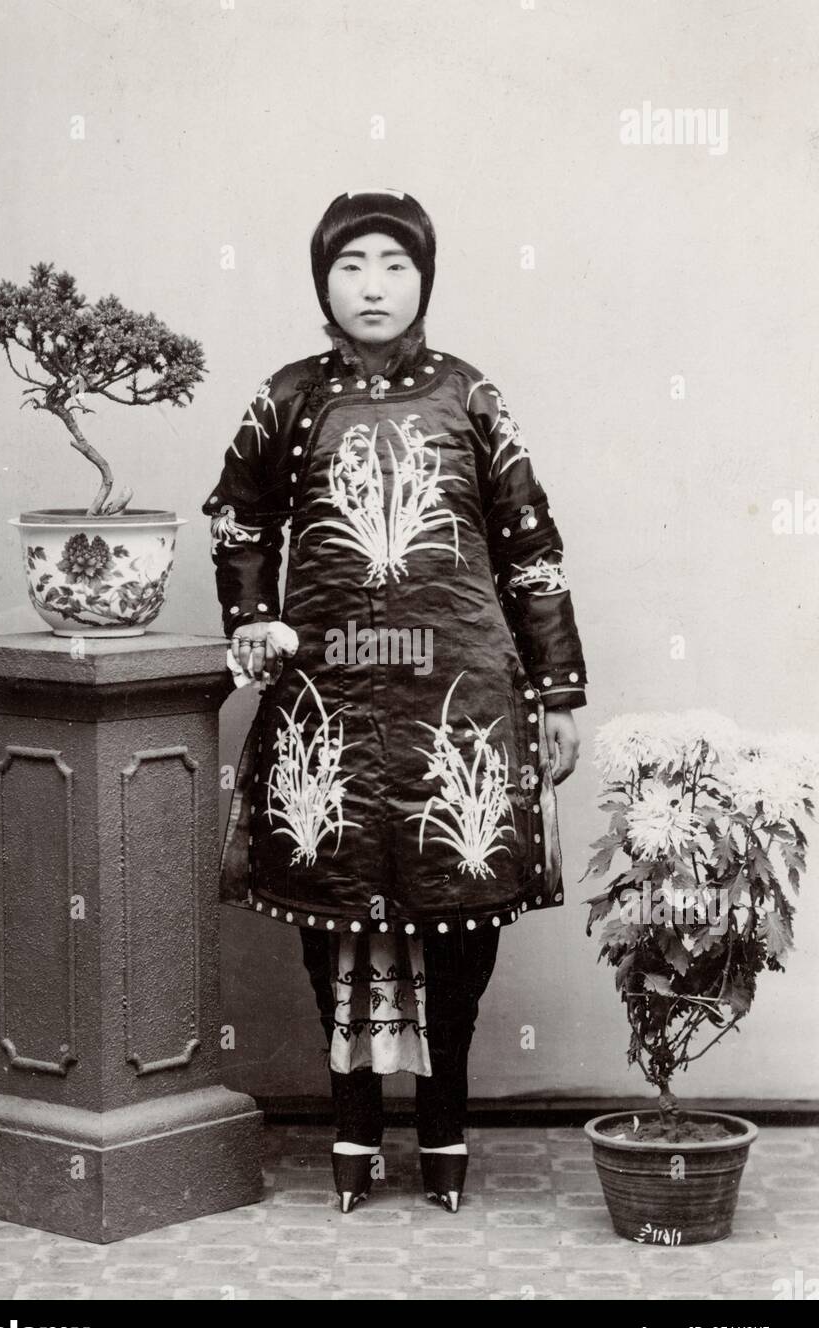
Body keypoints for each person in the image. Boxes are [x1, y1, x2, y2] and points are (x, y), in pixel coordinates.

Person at [202, 188, 588, 1213]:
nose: (372, 285)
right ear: (321, 279)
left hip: (457, 697)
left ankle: (445, 1128)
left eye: (393, 264)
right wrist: (250, 621)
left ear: (424, 277)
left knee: (457, 914)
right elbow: (238, 520)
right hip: (322, 697)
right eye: (351, 265)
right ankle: (354, 1129)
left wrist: (555, 693)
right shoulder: (286, 398)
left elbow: (531, 551)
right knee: (329, 916)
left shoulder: (471, 398)